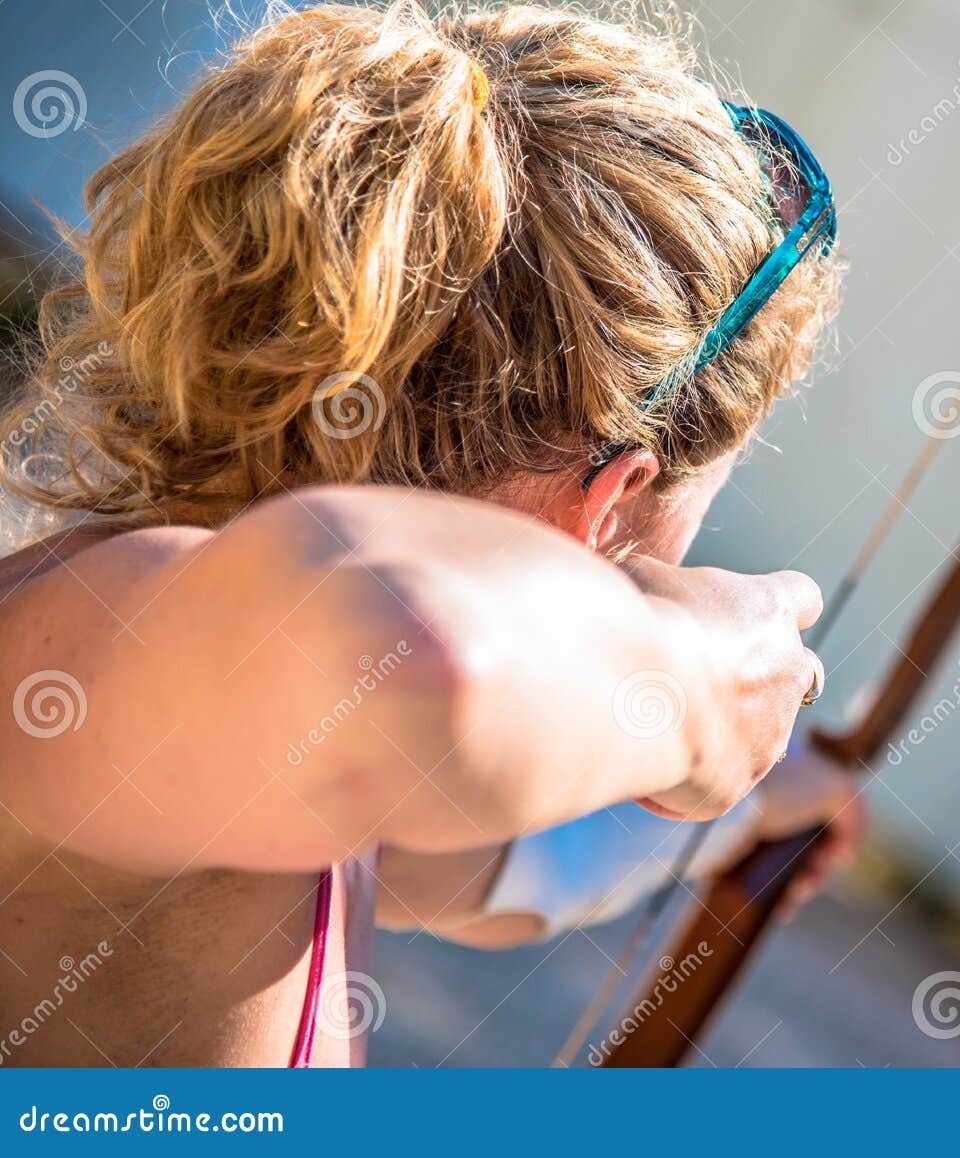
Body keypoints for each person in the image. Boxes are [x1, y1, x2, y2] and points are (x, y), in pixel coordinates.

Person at [0, 0, 862, 1067]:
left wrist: (745, 806)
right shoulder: (110, 657)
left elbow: (514, 869)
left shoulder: (275, 754)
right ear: (608, 503)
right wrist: (697, 686)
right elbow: (426, 656)